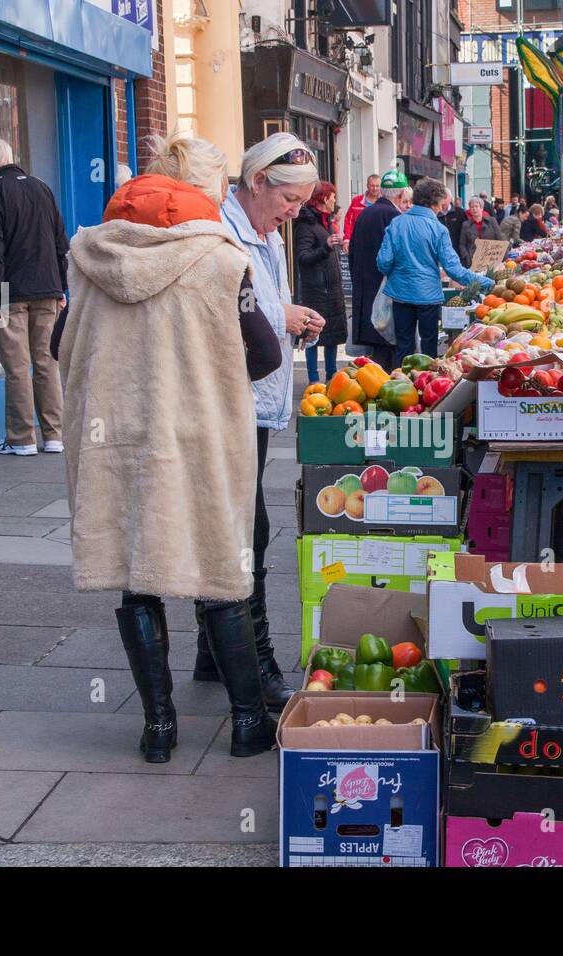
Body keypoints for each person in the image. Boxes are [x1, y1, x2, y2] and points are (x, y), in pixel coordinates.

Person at [59, 133, 283, 761]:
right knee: (221, 573)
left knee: (137, 580)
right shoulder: (222, 260)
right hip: (198, 437)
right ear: (204, 190)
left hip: (117, 440)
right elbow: (265, 354)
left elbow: (60, 346)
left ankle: (158, 729)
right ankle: (247, 723)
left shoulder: (89, 256)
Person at [191, 132, 326, 720]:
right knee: (247, 532)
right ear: (257, 182)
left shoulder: (266, 235)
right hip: (229, 403)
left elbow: (264, 306)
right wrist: (283, 315)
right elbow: (221, 308)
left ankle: (213, 652)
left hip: (258, 400)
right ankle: (256, 663)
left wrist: (295, 323)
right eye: (289, 199)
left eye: (301, 203)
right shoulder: (221, 232)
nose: (295, 212)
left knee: (240, 527)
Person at [0, 138, 68, 457]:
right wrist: (62, 288)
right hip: (48, 290)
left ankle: (21, 439)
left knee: (16, 367)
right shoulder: (42, 187)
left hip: (9, 295)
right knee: (46, 363)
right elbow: (61, 242)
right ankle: (54, 436)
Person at [377, 178, 494, 365]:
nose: (442, 208)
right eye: (441, 203)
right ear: (435, 202)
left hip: (400, 293)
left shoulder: (397, 223)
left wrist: (398, 274)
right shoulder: (438, 229)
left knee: (403, 345)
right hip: (428, 295)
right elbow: (454, 269)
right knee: (429, 347)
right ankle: (427, 378)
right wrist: (486, 282)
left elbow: (383, 262)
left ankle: (400, 377)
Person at [349, 169, 406, 369]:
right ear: (401, 194)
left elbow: (352, 252)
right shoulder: (395, 216)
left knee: (375, 355)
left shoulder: (365, 213)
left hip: (365, 291)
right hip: (386, 296)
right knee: (389, 355)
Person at [294, 180, 348, 383]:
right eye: (333, 197)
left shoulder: (326, 222)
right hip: (316, 291)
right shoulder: (306, 225)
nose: (335, 201)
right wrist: (325, 247)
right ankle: (314, 379)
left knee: (332, 336)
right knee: (313, 335)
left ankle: (332, 376)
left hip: (331, 289)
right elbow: (303, 257)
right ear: (324, 199)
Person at [458, 196, 503, 266]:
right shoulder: (466, 224)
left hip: (491, 259)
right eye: (472, 207)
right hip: (473, 260)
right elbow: (462, 244)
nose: (474, 209)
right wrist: (467, 257)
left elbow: (500, 240)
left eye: (476, 206)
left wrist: (500, 256)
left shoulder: (492, 221)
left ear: (481, 208)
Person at [343, 173, 381, 245]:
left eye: (377, 186)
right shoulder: (356, 201)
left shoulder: (384, 202)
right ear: (367, 185)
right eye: (372, 185)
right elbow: (348, 221)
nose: (375, 188)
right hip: (358, 242)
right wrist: (347, 239)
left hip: (378, 243)